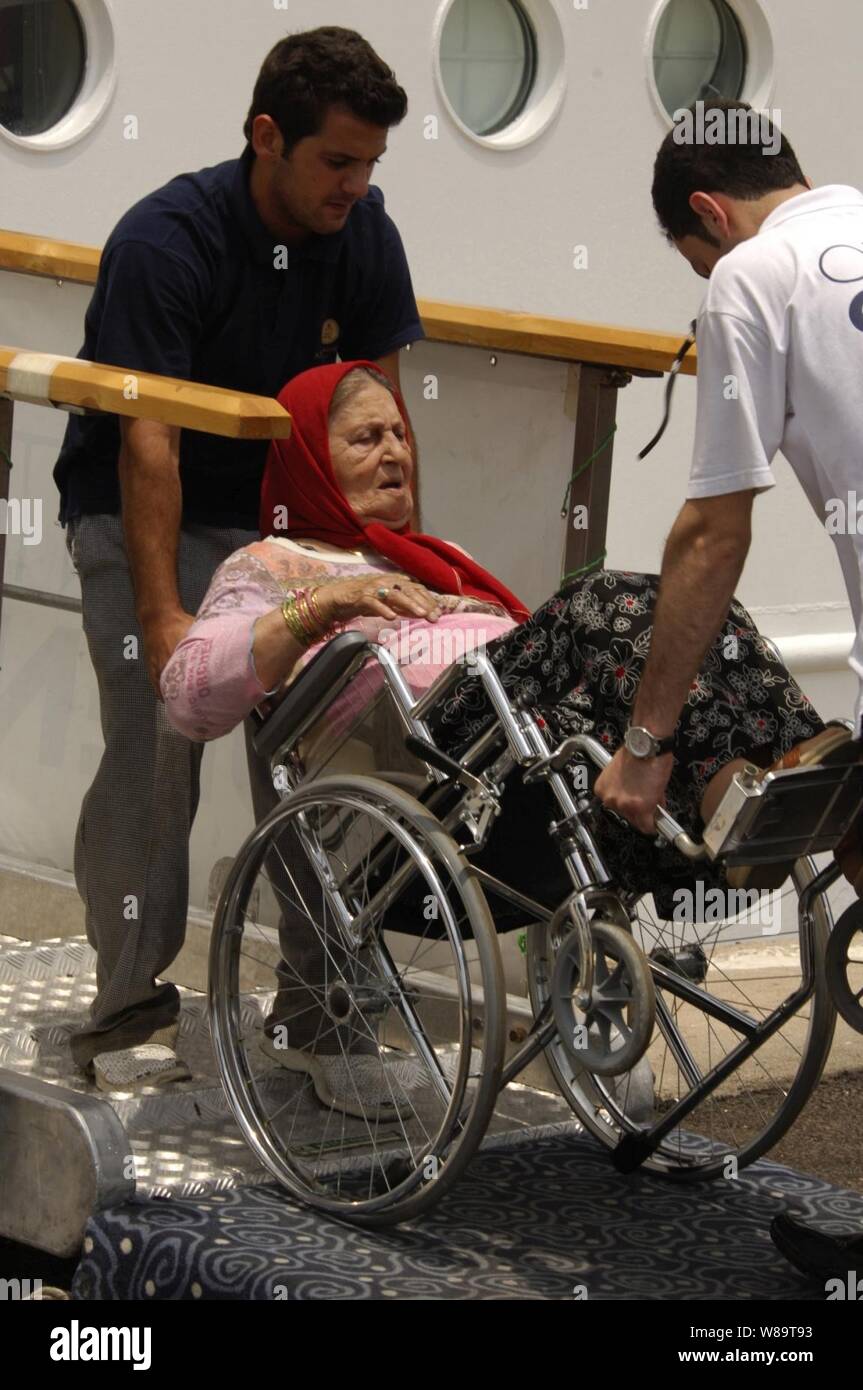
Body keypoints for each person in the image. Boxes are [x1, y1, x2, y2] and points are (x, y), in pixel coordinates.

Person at [160, 360, 843, 1115]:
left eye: (398, 432)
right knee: (605, 600)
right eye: (363, 438)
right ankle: (734, 800)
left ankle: (785, 775)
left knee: (690, 608)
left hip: (525, 760)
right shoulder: (266, 566)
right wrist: (325, 603)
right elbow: (188, 699)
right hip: (434, 778)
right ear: (310, 463)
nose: (394, 451)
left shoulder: (437, 557)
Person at [54, 27, 424, 1091]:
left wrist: (394, 563)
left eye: (369, 165)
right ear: (267, 136)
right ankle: (123, 1010)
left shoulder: (361, 232)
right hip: (141, 519)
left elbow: (378, 413)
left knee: (327, 745)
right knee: (156, 749)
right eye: (335, 162)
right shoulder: (164, 242)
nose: (354, 186)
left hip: (281, 530)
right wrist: (167, 617)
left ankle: (322, 1015)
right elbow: (148, 442)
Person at [593, 98, 863, 1284]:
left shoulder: (749, 277)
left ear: (706, 213)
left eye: (691, 257)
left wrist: (645, 740)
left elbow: (710, 529)